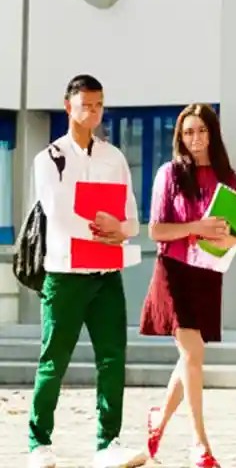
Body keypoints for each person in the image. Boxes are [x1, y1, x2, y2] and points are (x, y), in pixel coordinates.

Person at [27, 74, 148, 468]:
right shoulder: (48, 159)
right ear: (68, 107)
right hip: (64, 275)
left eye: (98, 105)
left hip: (106, 275)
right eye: (85, 105)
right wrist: (106, 229)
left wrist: (121, 229)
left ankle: (108, 442)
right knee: (53, 360)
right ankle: (38, 443)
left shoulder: (113, 158)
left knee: (112, 358)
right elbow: (58, 216)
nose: (93, 112)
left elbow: (132, 218)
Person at [138, 104, 236, 468]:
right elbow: (155, 231)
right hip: (174, 271)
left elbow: (233, 234)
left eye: (201, 130)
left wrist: (231, 239)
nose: (195, 138)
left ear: (212, 133)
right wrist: (196, 227)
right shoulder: (168, 174)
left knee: (191, 356)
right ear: (180, 137)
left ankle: (159, 418)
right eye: (188, 132)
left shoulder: (227, 176)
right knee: (193, 354)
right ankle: (199, 444)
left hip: (207, 274)